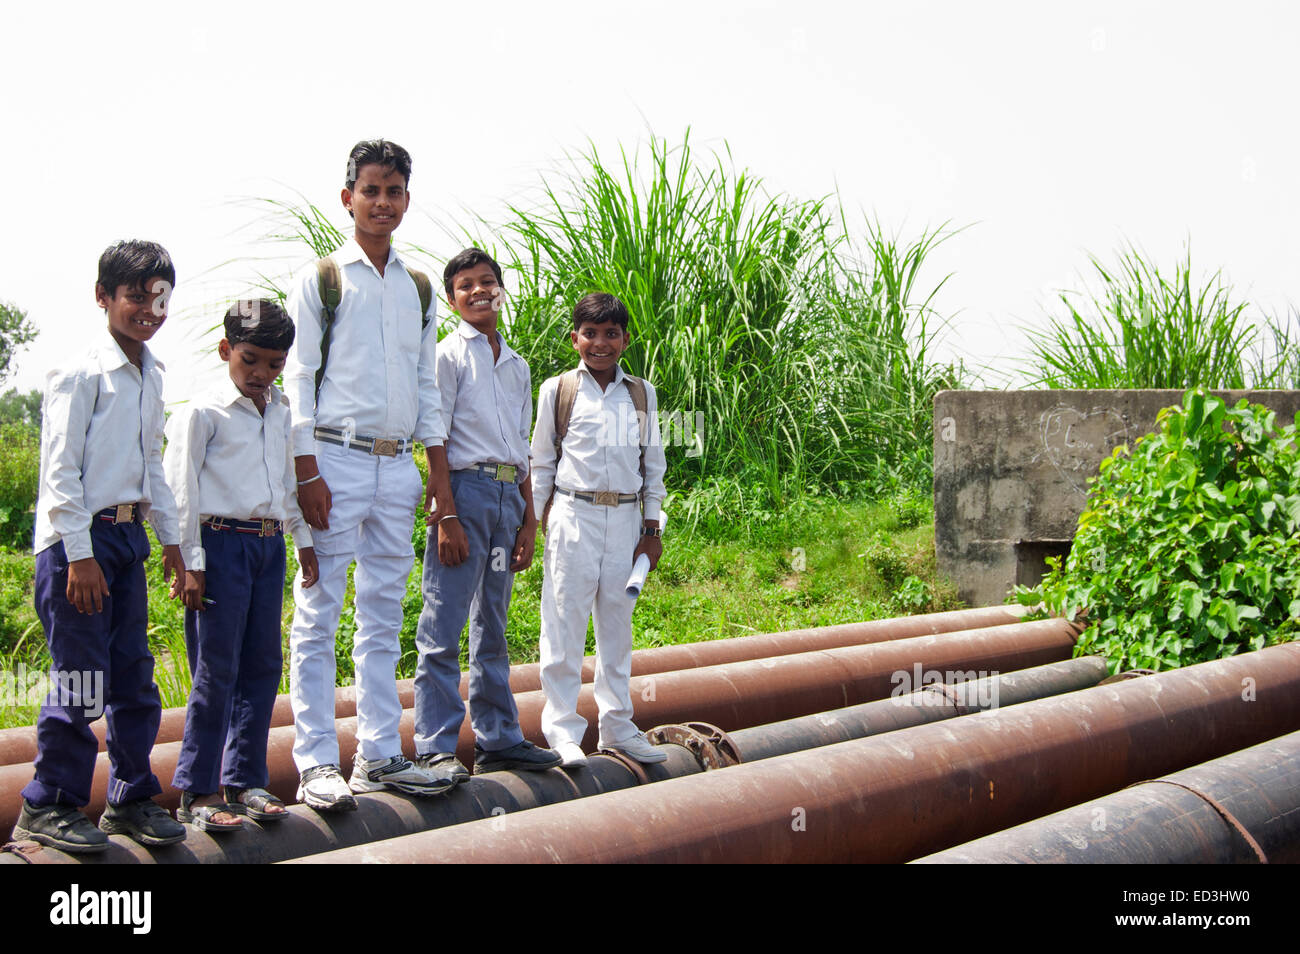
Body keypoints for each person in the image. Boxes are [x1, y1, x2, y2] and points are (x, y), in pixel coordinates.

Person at [282, 139, 454, 811]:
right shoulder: (322, 278)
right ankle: (316, 763)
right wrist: (306, 470)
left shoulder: (416, 286)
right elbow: (297, 378)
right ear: (347, 196)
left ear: (407, 200)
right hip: (333, 460)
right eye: (371, 190)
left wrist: (437, 476)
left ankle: (379, 755)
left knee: (383, 617)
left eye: (395, 192)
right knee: (319, 613)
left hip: (397, 468)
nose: (382, 202)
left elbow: (425, 386)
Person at [12, 240, 188, 852]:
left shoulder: (152, 373)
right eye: (135, 296)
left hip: (125, 537)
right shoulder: (81, 373)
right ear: (104, 297)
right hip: (75, 545)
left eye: (159, 297)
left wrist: (170, 541)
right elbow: (59, 472)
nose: (149, 308)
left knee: (135, 676)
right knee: (82, 678)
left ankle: (132, 796)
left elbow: (151, 466)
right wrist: (79, 555)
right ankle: (49, 802)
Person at [164, 299, 320, 831]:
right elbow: (180, 489)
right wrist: (190, 561)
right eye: (250, 359)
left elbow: (284, 482)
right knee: (216, 669)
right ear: (226, 349)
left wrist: (300, 541)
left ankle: (246, 780)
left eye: (274, 364)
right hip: (219, 542)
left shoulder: (280, 409)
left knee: (262, 664)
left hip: (267, 545)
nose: (261, 374)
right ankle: (199, 790)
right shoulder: (201, 411)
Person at [412, 248, 561, 783]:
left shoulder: (516, 365)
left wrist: (529, 519)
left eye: (487, 282)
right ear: (452, 300)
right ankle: (434, 745)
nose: (479, 291)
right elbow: (436, 435)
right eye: (466, 286)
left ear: (501, 289)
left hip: (506, 498)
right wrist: (445, 511)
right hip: (465, 492)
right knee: (443, 622)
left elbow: (519, 446)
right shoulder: (447, 356)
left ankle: (499, 738)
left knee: (492, 623)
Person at [529, 292, 668, 767]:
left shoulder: (641, 393)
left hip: (627, 520)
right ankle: (563, 730)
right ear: (575, 339)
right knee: (563, 623)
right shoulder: (559, 390)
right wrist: (533, 522)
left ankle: (617, 725)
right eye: (590, 334)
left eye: (611, 334)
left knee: (617, 626)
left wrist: (652, 527)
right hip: (573, 514)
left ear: (626, 340)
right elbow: (542, 463)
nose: (600, 343)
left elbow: (653, 465)